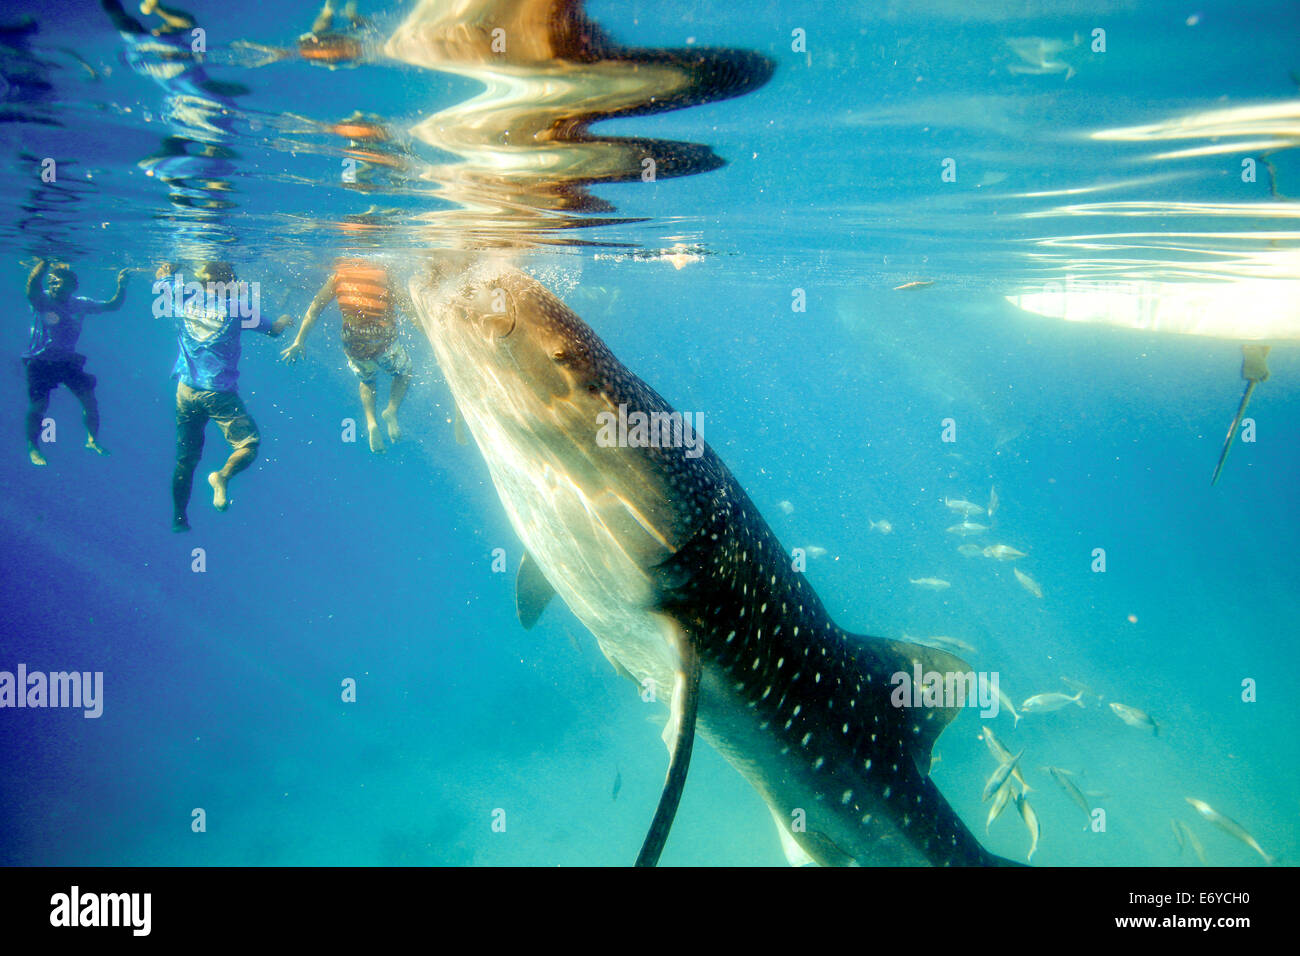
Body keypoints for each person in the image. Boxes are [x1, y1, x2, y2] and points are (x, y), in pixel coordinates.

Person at [169, 260, 291, 531]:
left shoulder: (183, 298)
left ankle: (179, 518)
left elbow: (164, 281)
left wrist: (169, 272)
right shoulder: (237, 310)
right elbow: (274, 331)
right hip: (219, 394)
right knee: (248, 445)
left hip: (185, 390)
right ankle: (222, 477)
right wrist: (283, 320)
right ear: (229, 282)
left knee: (185, 459)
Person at [281, 257, 412, 454]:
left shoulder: (339, 275)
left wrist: (299, 340)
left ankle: (371, 422)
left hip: (353, 341)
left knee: (367, 380)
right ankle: (391, 410)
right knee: (403, 373)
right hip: (381, 338)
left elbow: (315, 308)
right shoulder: (386, 272)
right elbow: (407, 306)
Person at [23, 259, 128, 465]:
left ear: (73, 287)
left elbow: (112, 305)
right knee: (39, 406)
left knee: (90, 401)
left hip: (67, 362)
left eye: (60, 284)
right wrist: (42, 265)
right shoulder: (41, 300)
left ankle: (92, 439)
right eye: (52, 283)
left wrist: (121, 286)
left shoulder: (80, 303)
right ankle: (33, 446)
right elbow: (31, 288)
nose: (55, 288)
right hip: (40, 362)